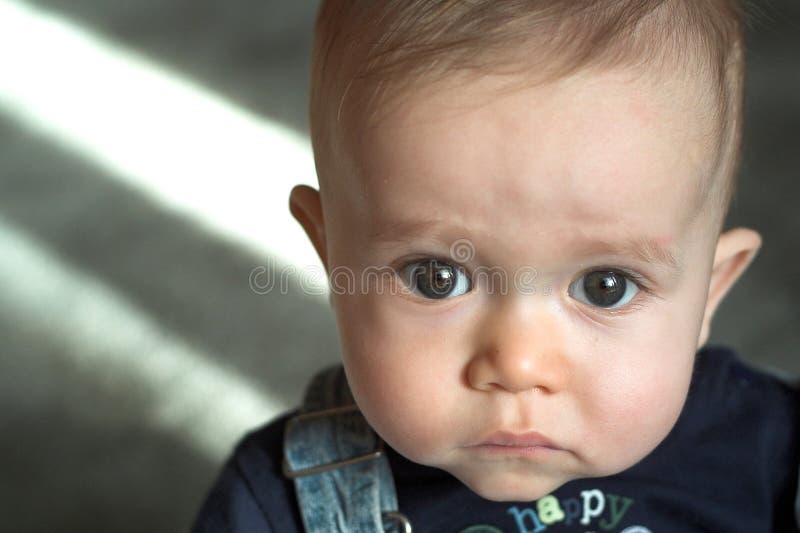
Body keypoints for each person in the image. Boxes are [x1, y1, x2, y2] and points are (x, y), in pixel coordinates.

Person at [192, 1, 800, 531]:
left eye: (605, 286)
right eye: (436, 278)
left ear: (709, 291)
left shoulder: (768, 450)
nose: (518, 364)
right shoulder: (277, 504)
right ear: (332, 257)